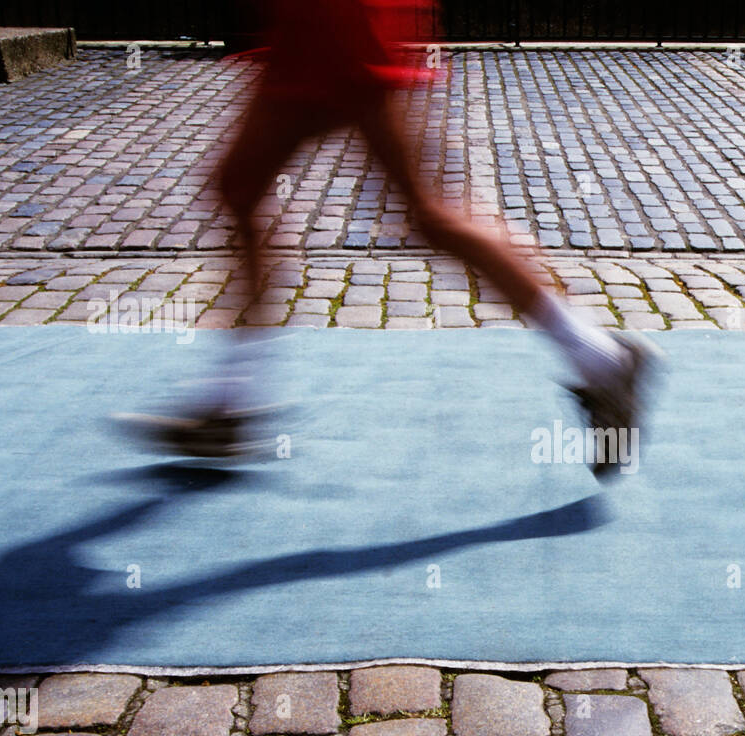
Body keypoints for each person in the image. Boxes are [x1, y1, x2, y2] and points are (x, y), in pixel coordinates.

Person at [120, 0, 653, 477]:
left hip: (339, 24)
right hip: (319, 24)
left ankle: (603, 358)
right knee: (245, 187)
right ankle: (230, 405)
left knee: (424, 211)